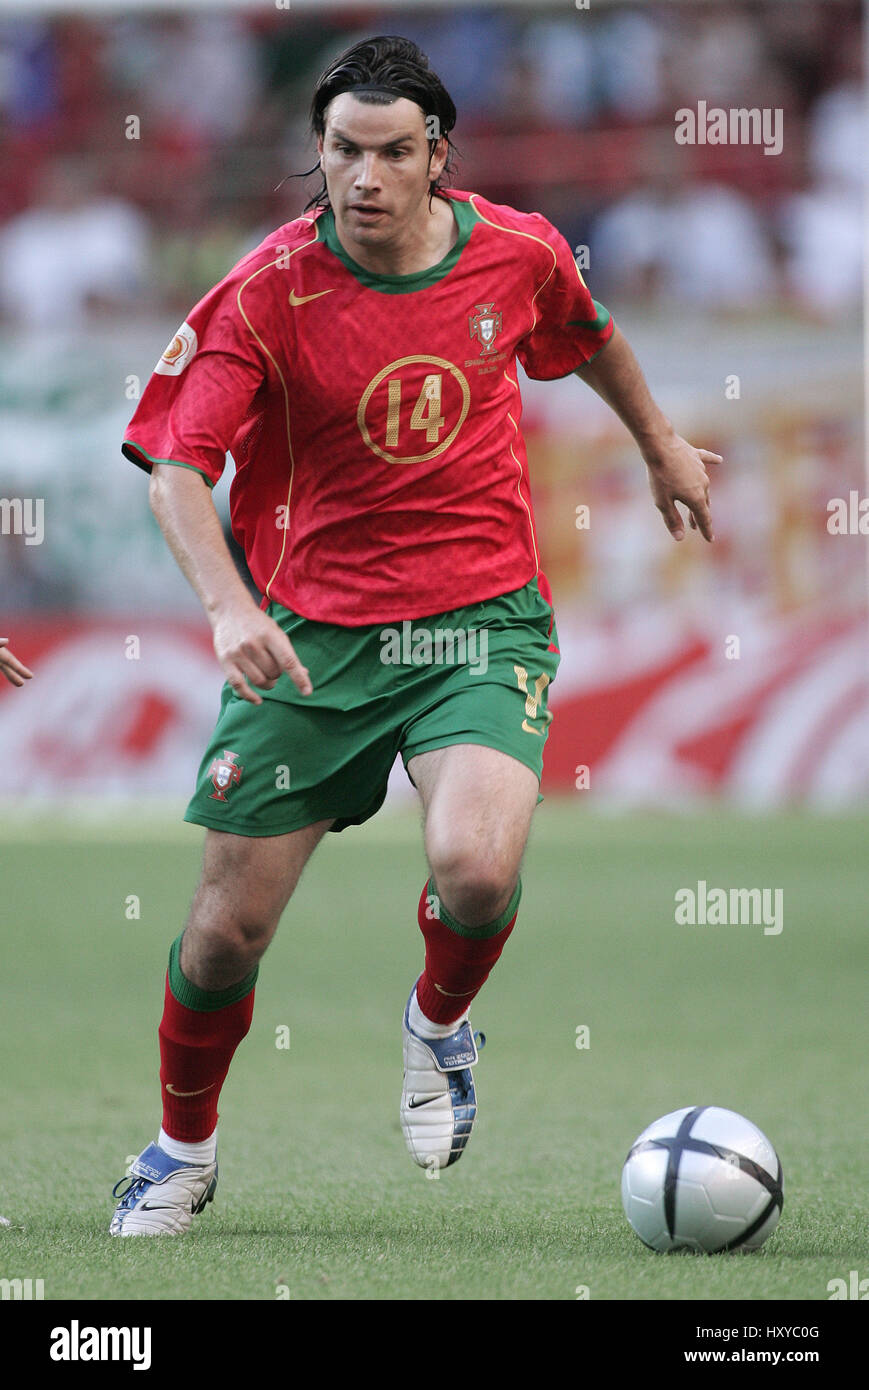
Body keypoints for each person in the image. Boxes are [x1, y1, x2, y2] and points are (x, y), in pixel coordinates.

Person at [110, 35, 720, 1236]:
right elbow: (178, 469)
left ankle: (438, 1026)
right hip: (311, 637)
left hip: (477, 621)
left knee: (477, 865)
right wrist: (230, 606)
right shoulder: (267, 290)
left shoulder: (517, 251)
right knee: (225, 935)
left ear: (438, 154)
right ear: (317, 153)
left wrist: (656, 441)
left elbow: (585, 332)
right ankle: (181, 1151)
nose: (365, 176)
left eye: (393, 152)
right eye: (344, 150)